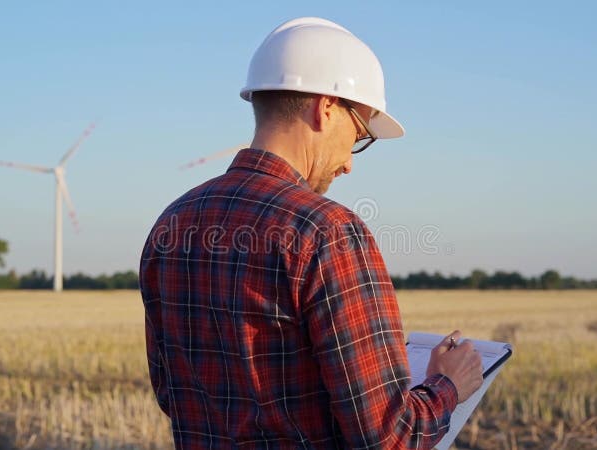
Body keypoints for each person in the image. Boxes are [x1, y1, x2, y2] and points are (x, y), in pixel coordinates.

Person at [140, 17, 483, 449]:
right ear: (325, 107)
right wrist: (446, 385)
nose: (349, 163)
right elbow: (390, 438)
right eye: (358, 136)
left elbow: (173, 395)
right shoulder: (328, 231)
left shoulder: (170, 225)